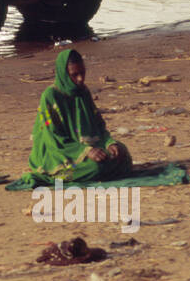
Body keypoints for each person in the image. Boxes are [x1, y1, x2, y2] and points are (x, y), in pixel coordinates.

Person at [25, 49, 132, 186]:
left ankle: (100, 170)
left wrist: (109, 142)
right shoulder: (50, 96)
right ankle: (54, 178)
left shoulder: (83, 92)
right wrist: (86, 151)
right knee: (95, 168)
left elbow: (98, 124)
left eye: (82, 73)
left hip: (85, 148)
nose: (80, 79)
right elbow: (53, 139)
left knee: (122, 153)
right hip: (57, 155)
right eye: (74, 75)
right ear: (63, 74)